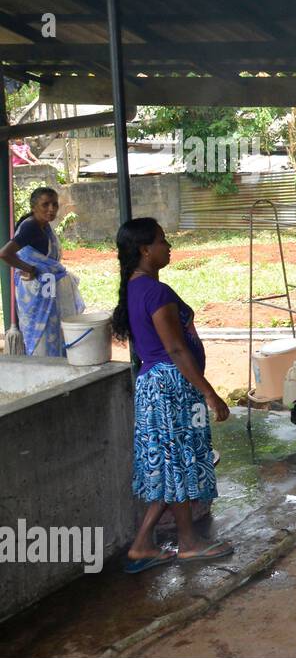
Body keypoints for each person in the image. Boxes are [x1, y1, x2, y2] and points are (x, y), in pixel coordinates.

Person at [111, 217, 233, 572]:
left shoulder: (135, 288)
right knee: (177, 463)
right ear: (145, 250)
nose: (169, 247)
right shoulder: (155, 293)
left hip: (154, 386)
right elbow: (177, 350)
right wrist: (211, 394)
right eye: (162, 241)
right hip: (172, 387)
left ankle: (142, 544)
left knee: (169, 465)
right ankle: (189, 543)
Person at [0, 186, 84, 355]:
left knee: (51, 331)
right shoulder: (30, 227)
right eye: (45, 205)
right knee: (41, 335)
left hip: (45, 287)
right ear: (34, 207)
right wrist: (29, 268)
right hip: (36, 290)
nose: (51, 209)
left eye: (54, 204)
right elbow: (5, 253)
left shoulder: (43, 226)